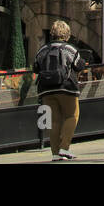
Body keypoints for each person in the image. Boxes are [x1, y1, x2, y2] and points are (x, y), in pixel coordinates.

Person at [33, 20, 88, 161]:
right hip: (66, 87)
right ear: (67, 34)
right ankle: (65, 147)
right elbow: (79, 65)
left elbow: (35, 68)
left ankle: (55, 153)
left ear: (52, 33)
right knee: (72, 115)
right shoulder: (70, 49)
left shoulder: (42, 49)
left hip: (46, 90)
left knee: (54, 121)